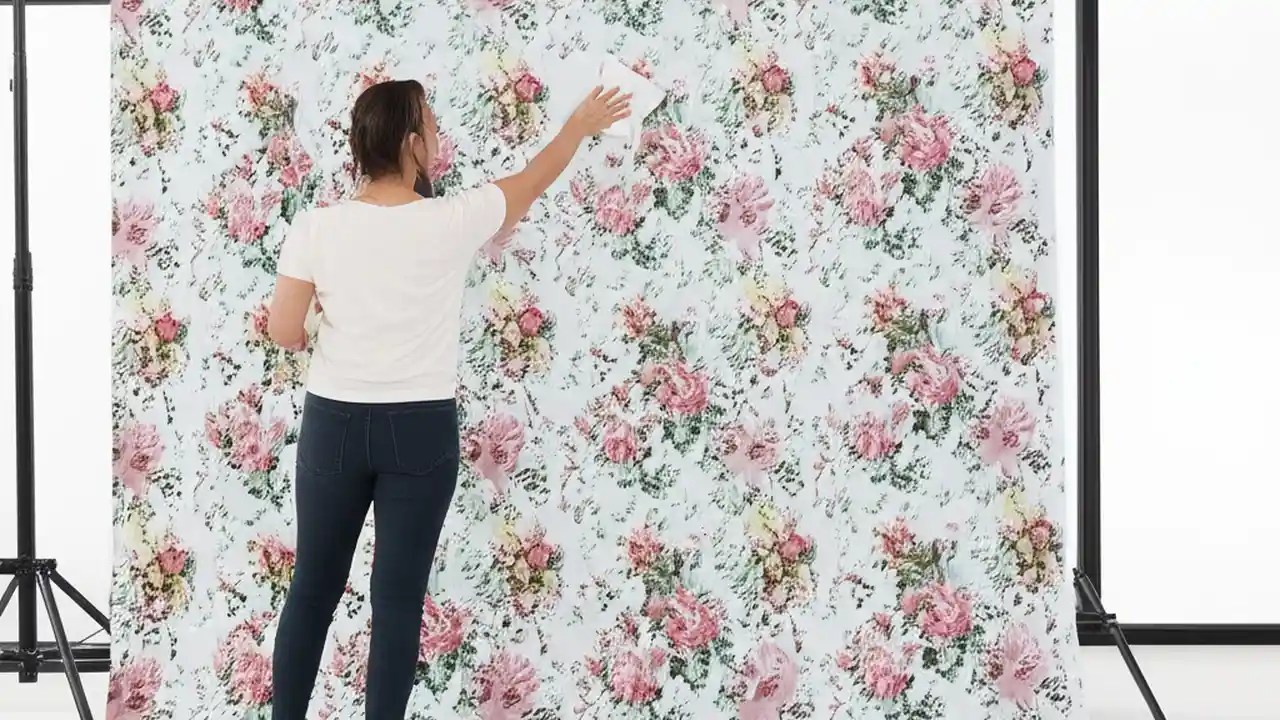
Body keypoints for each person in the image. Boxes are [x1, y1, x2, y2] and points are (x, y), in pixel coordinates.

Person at [265, 79, 631, 719]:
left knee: (312, 591)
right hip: (421, 433)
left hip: (334, 429)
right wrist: (577, 125)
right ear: (411, 145)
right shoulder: (451, 219)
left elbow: (282, 330)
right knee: (398, 601)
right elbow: (533, 177)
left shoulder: (316, 227)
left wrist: (321, 323)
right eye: (431, 126)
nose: (438, 138)